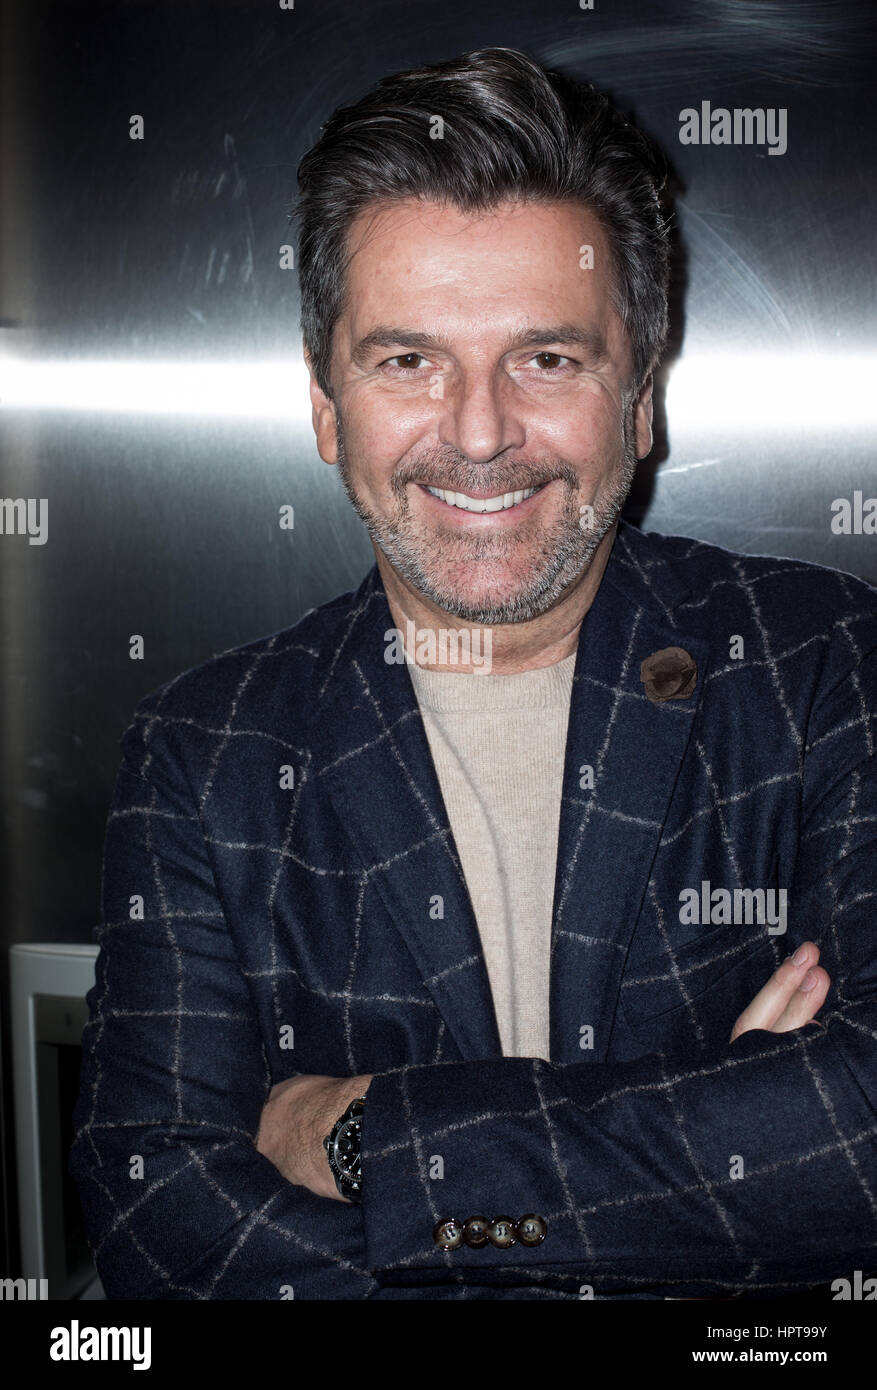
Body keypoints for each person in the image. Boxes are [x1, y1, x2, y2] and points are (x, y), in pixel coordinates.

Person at [70, 47, 876, 1301]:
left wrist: (368, 1139)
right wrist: (719, 1168)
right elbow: (162, 1231)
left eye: (547, 358)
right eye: (407, 361)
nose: (482, 431)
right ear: (329, 405)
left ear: (640, 397)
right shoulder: (204, 750)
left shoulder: (823, 665)